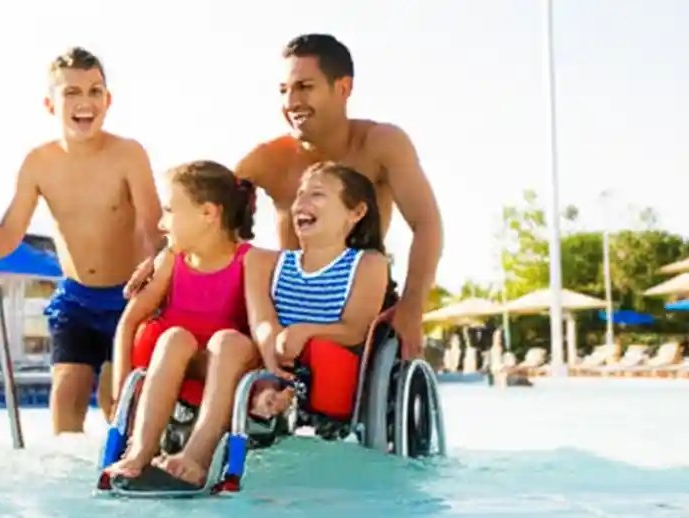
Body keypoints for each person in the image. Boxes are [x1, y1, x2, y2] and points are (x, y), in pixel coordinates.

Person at [126, 33, 441, 360]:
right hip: (283, 300)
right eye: (283, 90)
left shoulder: (381, 144)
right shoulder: (267, 160)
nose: (291, 102)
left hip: (357, 298)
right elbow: (204, 212)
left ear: (343, 88)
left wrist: (412, 306)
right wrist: (162, 256)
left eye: (304, 87)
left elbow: (427, 223)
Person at [0, 47, 164, 434]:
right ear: (50, 104)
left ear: (108, 100)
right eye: (72, 93)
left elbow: (152, 228)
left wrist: (154, 286)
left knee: (116, 403)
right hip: (76, 299)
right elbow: (9, 233)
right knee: (66, 397)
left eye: (94, 91)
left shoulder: (128, 154)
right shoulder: (38, 163)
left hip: (129, 298)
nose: (85, 102)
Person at [102, 160, 261, 484]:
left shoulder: (252, 260)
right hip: (181, 359)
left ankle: (196, 456)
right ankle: (139, 452)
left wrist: (273, 381)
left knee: (226, 342)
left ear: (208, 213)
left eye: (170, 211)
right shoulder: (170, 261)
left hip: (230, 362)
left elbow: (263, 324)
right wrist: (121, 393)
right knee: (175, 336)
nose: (162, 224)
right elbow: (129, 321)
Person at [244, 161, 391, 417]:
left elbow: (355, 330)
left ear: (356, 213)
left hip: (326, 368)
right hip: (271, 358)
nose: (301, 204)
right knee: (229, 344)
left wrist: (305, 332)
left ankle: (288, 398)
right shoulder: (262, 262)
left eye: (317, 195)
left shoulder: (368, 264)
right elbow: (262, 321)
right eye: (300, 195)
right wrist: (272, 369)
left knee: (317, 353)